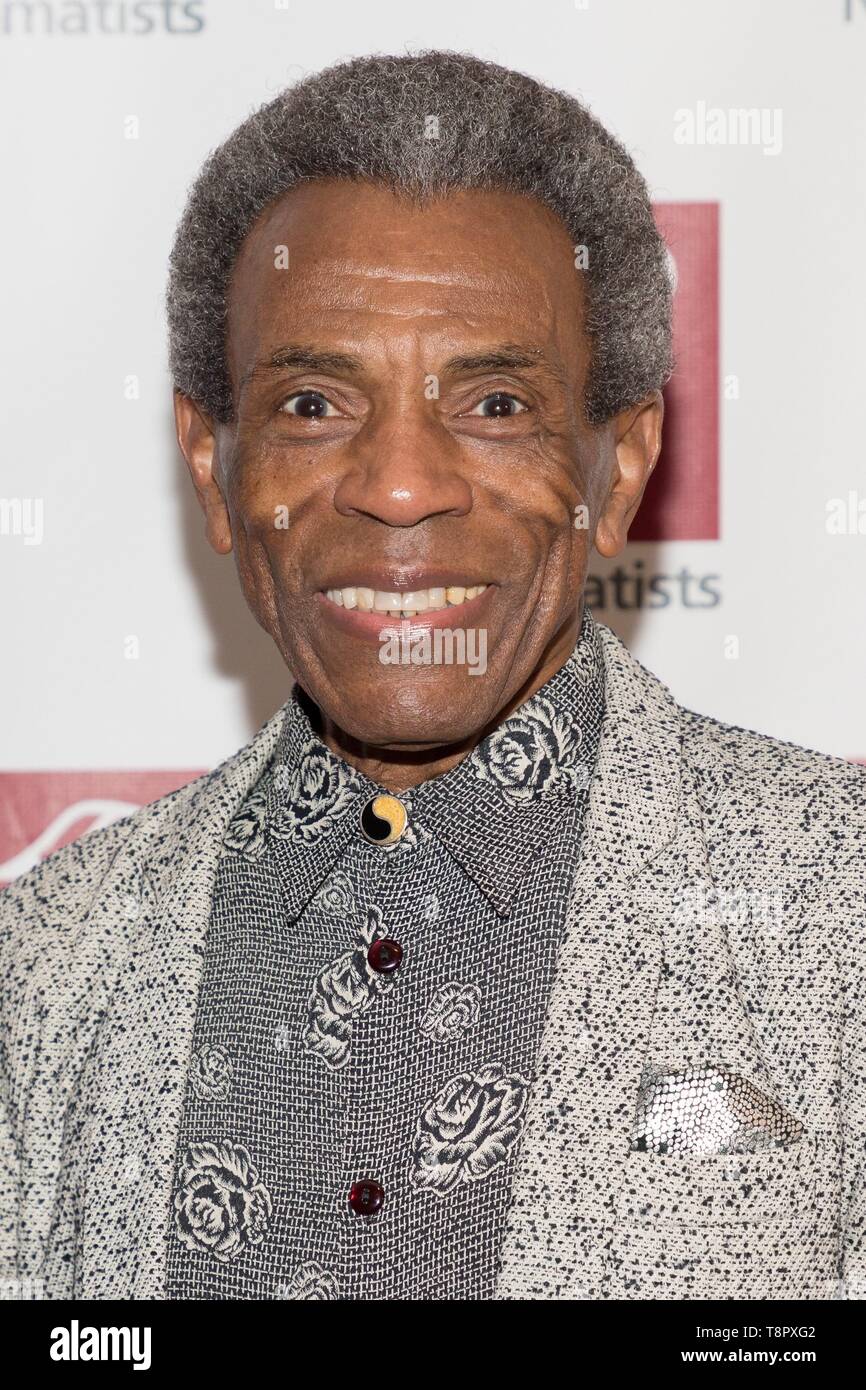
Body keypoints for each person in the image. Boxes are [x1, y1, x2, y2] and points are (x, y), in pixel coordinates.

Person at [2, 51, 863, 1302]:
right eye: (309, 401)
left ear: (616, 469)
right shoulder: (45, 966)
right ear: (213, 469)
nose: (398, 484)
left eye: (496, 401)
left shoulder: (840, 911)